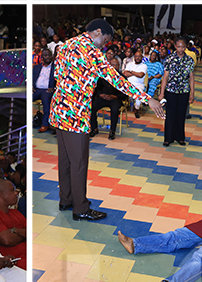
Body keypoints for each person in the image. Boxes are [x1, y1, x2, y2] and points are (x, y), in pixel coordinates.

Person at [49, 18, 163, 222]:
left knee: (65, 160)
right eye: (106, 39)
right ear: (98, 32)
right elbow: (116, 79)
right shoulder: (92, 51)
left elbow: (57, 75)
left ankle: (66, 200)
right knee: (79, 163)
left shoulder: (65, 45)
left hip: (59, 110)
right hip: (76, 115)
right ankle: (80, 208)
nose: (105, 44)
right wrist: (147, 99)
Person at [159, 37, 196, 147]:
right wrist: (162, 92)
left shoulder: (189, 60)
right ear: (175, 46)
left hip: (184, 91)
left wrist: (192, 93)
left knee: (181, 115)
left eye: (183, 46)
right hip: (171, 90)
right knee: (170, 115)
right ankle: (168, 138)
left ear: (186, 47)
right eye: (179, 46)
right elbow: (165, 76)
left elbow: (191, 78)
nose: (181, 49)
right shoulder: (170, 59)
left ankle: (180, 137)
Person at [34, 48, 56, 132]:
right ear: (42, 57)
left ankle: (45, 124)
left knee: (46, 102)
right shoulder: (36, 67)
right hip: (36, 90)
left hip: (47, 91)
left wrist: (53, 88)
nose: (47, 57)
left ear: (51, 56)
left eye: (48, 55)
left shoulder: (55, 67)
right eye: (45, 55)